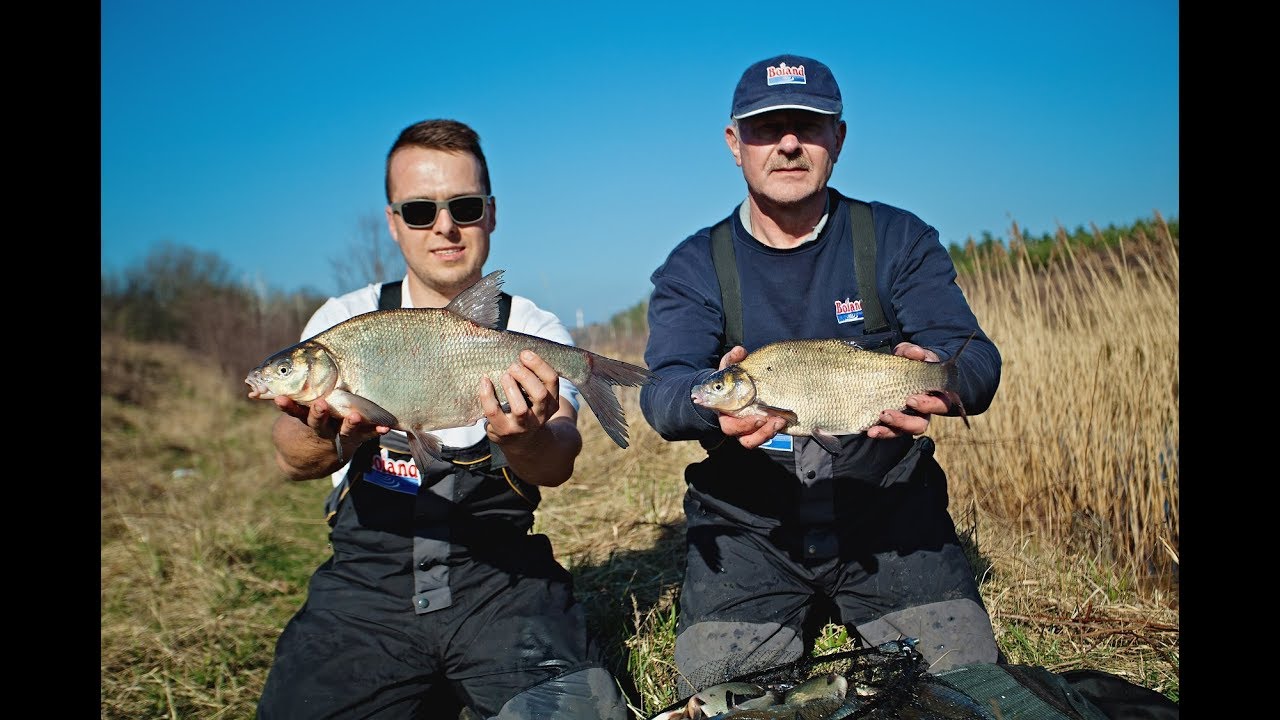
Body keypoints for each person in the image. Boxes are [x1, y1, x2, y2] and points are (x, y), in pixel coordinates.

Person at [639, 54, 1005, 698]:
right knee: (726, 694)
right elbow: (665, 391)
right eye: (764, 127)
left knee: (964, 682)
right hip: (752, 530)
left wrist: (944, 380)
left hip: (888, 520)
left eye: (807, 125)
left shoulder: (898, 238)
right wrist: (714, 408)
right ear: (734, 144)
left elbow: (975, 359)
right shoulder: (695, 264)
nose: (787, 143)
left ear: (838, 137)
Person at [255, 118, 629, 719]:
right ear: (393, 223)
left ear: (492, 212)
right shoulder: (344, 320)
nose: (446, 226)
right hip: (366, 591)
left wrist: (529, 440)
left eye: (464, 205)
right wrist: (318, 433)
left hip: (501, 583)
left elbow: (559, 456)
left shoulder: (531, 328)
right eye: (421, 211)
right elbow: (291, 458)